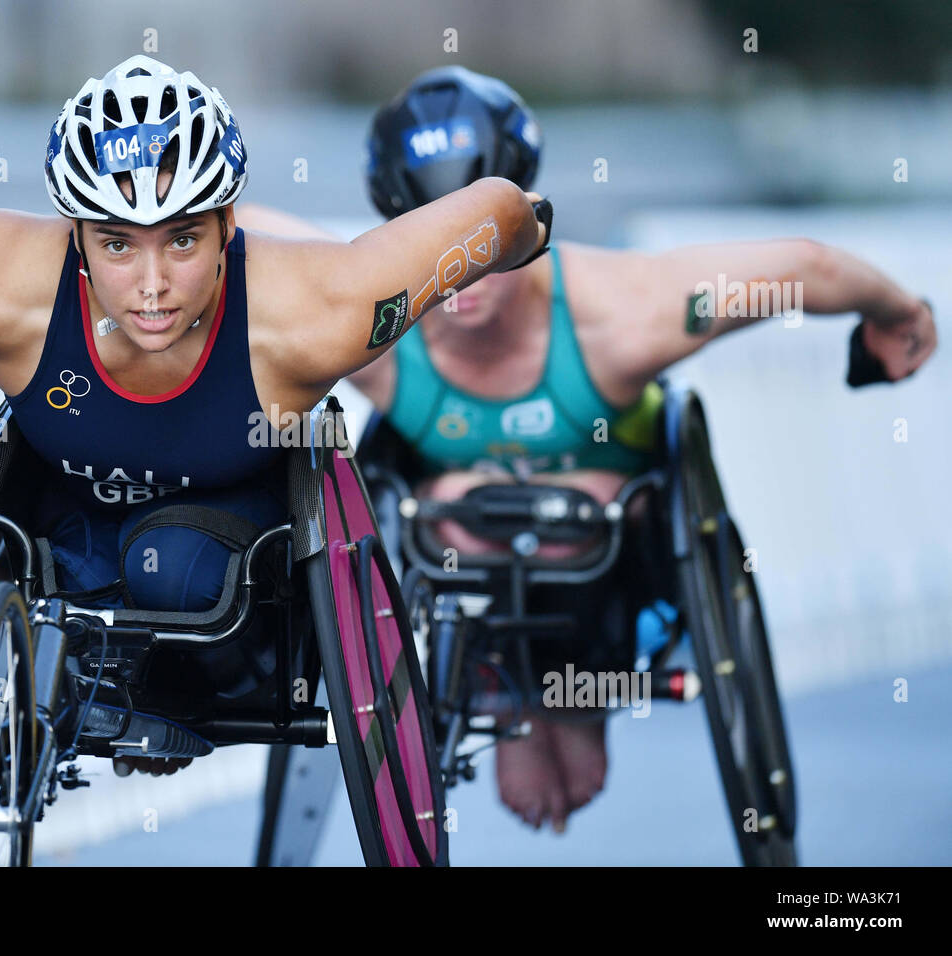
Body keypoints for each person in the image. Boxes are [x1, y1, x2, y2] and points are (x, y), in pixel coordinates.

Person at [238, 65, 937, 831]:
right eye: (432, 235)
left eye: (479, 233)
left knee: (585, 512)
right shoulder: (368, 304)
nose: (462, 271)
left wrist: (897, 313)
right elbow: (230, 227)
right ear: (395, 231)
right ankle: (509, 692)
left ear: (524, 206)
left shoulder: (620, 310)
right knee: (440, 507)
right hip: (460, 559)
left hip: (606, 554)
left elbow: (806, 268)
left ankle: (570, 701)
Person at [0, 55, 549, 776]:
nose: (151, 289)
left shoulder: (315, 311)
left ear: (227, 225)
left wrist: (528, 242)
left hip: (234, 558)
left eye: (182, 239)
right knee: (82, 565)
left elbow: (500, 208)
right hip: (67, 528)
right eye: (116, 243)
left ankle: (163, 691)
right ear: (74, 235)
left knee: (168, 565)